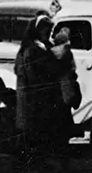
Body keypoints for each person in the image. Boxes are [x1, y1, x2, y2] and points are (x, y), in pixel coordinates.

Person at [14, 14, 80, 153]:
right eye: (47, 30)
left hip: (33, 101)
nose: (49, 34)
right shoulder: (35, 49)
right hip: (40, 102)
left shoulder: (29, 47)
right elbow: (43, 74)